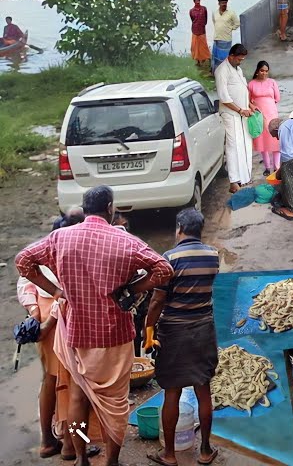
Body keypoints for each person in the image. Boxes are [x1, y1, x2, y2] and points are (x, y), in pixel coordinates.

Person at [16, 186, 174, 466]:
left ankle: (80, 458)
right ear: (110, 208)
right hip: (114, 335)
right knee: (115, 403)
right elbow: (163, 269)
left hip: (76, 333)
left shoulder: (60, 237)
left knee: (78, 397)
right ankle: (112, 461)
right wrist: (135, 287)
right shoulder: (125, 241)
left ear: (85, 208)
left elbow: (23, 261)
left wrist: (55, 291)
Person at [142, 208, 220, 466]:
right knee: (203, 390)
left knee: (172, 393)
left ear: (179, 229)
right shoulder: (213, 256)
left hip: (174, 332)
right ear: (201, 230)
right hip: (203, 330)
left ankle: (170, 454)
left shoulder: (169, 258)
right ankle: (206, 451)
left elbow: (157, 301)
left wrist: (148, 329)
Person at [17, 209, 88, 460]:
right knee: (72, 387)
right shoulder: (73, 251)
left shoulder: (45, 247)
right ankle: (71, 445)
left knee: (50, 379)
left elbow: (24, 281)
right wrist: (48, 320)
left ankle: (48, 440)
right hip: (60, 319)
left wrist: (35, 311)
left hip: (46, 316)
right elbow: (67, 296)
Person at [215, 44, 255, 193]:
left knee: (245, 144)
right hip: (230, 115)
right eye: (239, 59)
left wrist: (249, 105)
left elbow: (242, 90)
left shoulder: (237, 69)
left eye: (242, 59)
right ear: (231, 56)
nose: (240, 62)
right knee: (233, 147)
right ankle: (233, 182)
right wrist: (240, 110)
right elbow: (224, 97)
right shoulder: (222, 71)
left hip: (243, 113)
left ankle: (244, 177)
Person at [248, 61, 281, 175]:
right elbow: (248, 101)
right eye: (262, 71)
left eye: (266, 71)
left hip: (272, 113)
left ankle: (277, 167)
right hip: (259, 115)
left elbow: (277, 98)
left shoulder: (272, 82)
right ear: (257, 71)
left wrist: (268, 104)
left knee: (275, 140)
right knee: (262, 141)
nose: (264, 73)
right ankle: (267, 167)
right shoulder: (251, 84)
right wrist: (253, 106)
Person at [210, 0, 239, 75]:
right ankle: (215, 73)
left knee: (224, 58)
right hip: (217, 38)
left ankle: (226, 73)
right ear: (219, 3)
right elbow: (214, 22)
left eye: (225, 3)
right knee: (215, 57)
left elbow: (237, 23)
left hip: (226, 39)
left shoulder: (231, 13)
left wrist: (230, 28)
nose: (224, 4)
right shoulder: (215, 13)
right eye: (222, 3)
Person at [188, 0, 210, 69]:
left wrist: (202, 25)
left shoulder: (204, 9)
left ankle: (204, 60)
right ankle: (197, 61)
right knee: (195, 46)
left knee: (203, 46)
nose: (197, 2)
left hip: (202, 30)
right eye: (196, 0)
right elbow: (192, 19)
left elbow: (206, 19)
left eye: (199, 0)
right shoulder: (191, 11)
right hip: (195, 30)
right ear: (194, 1)